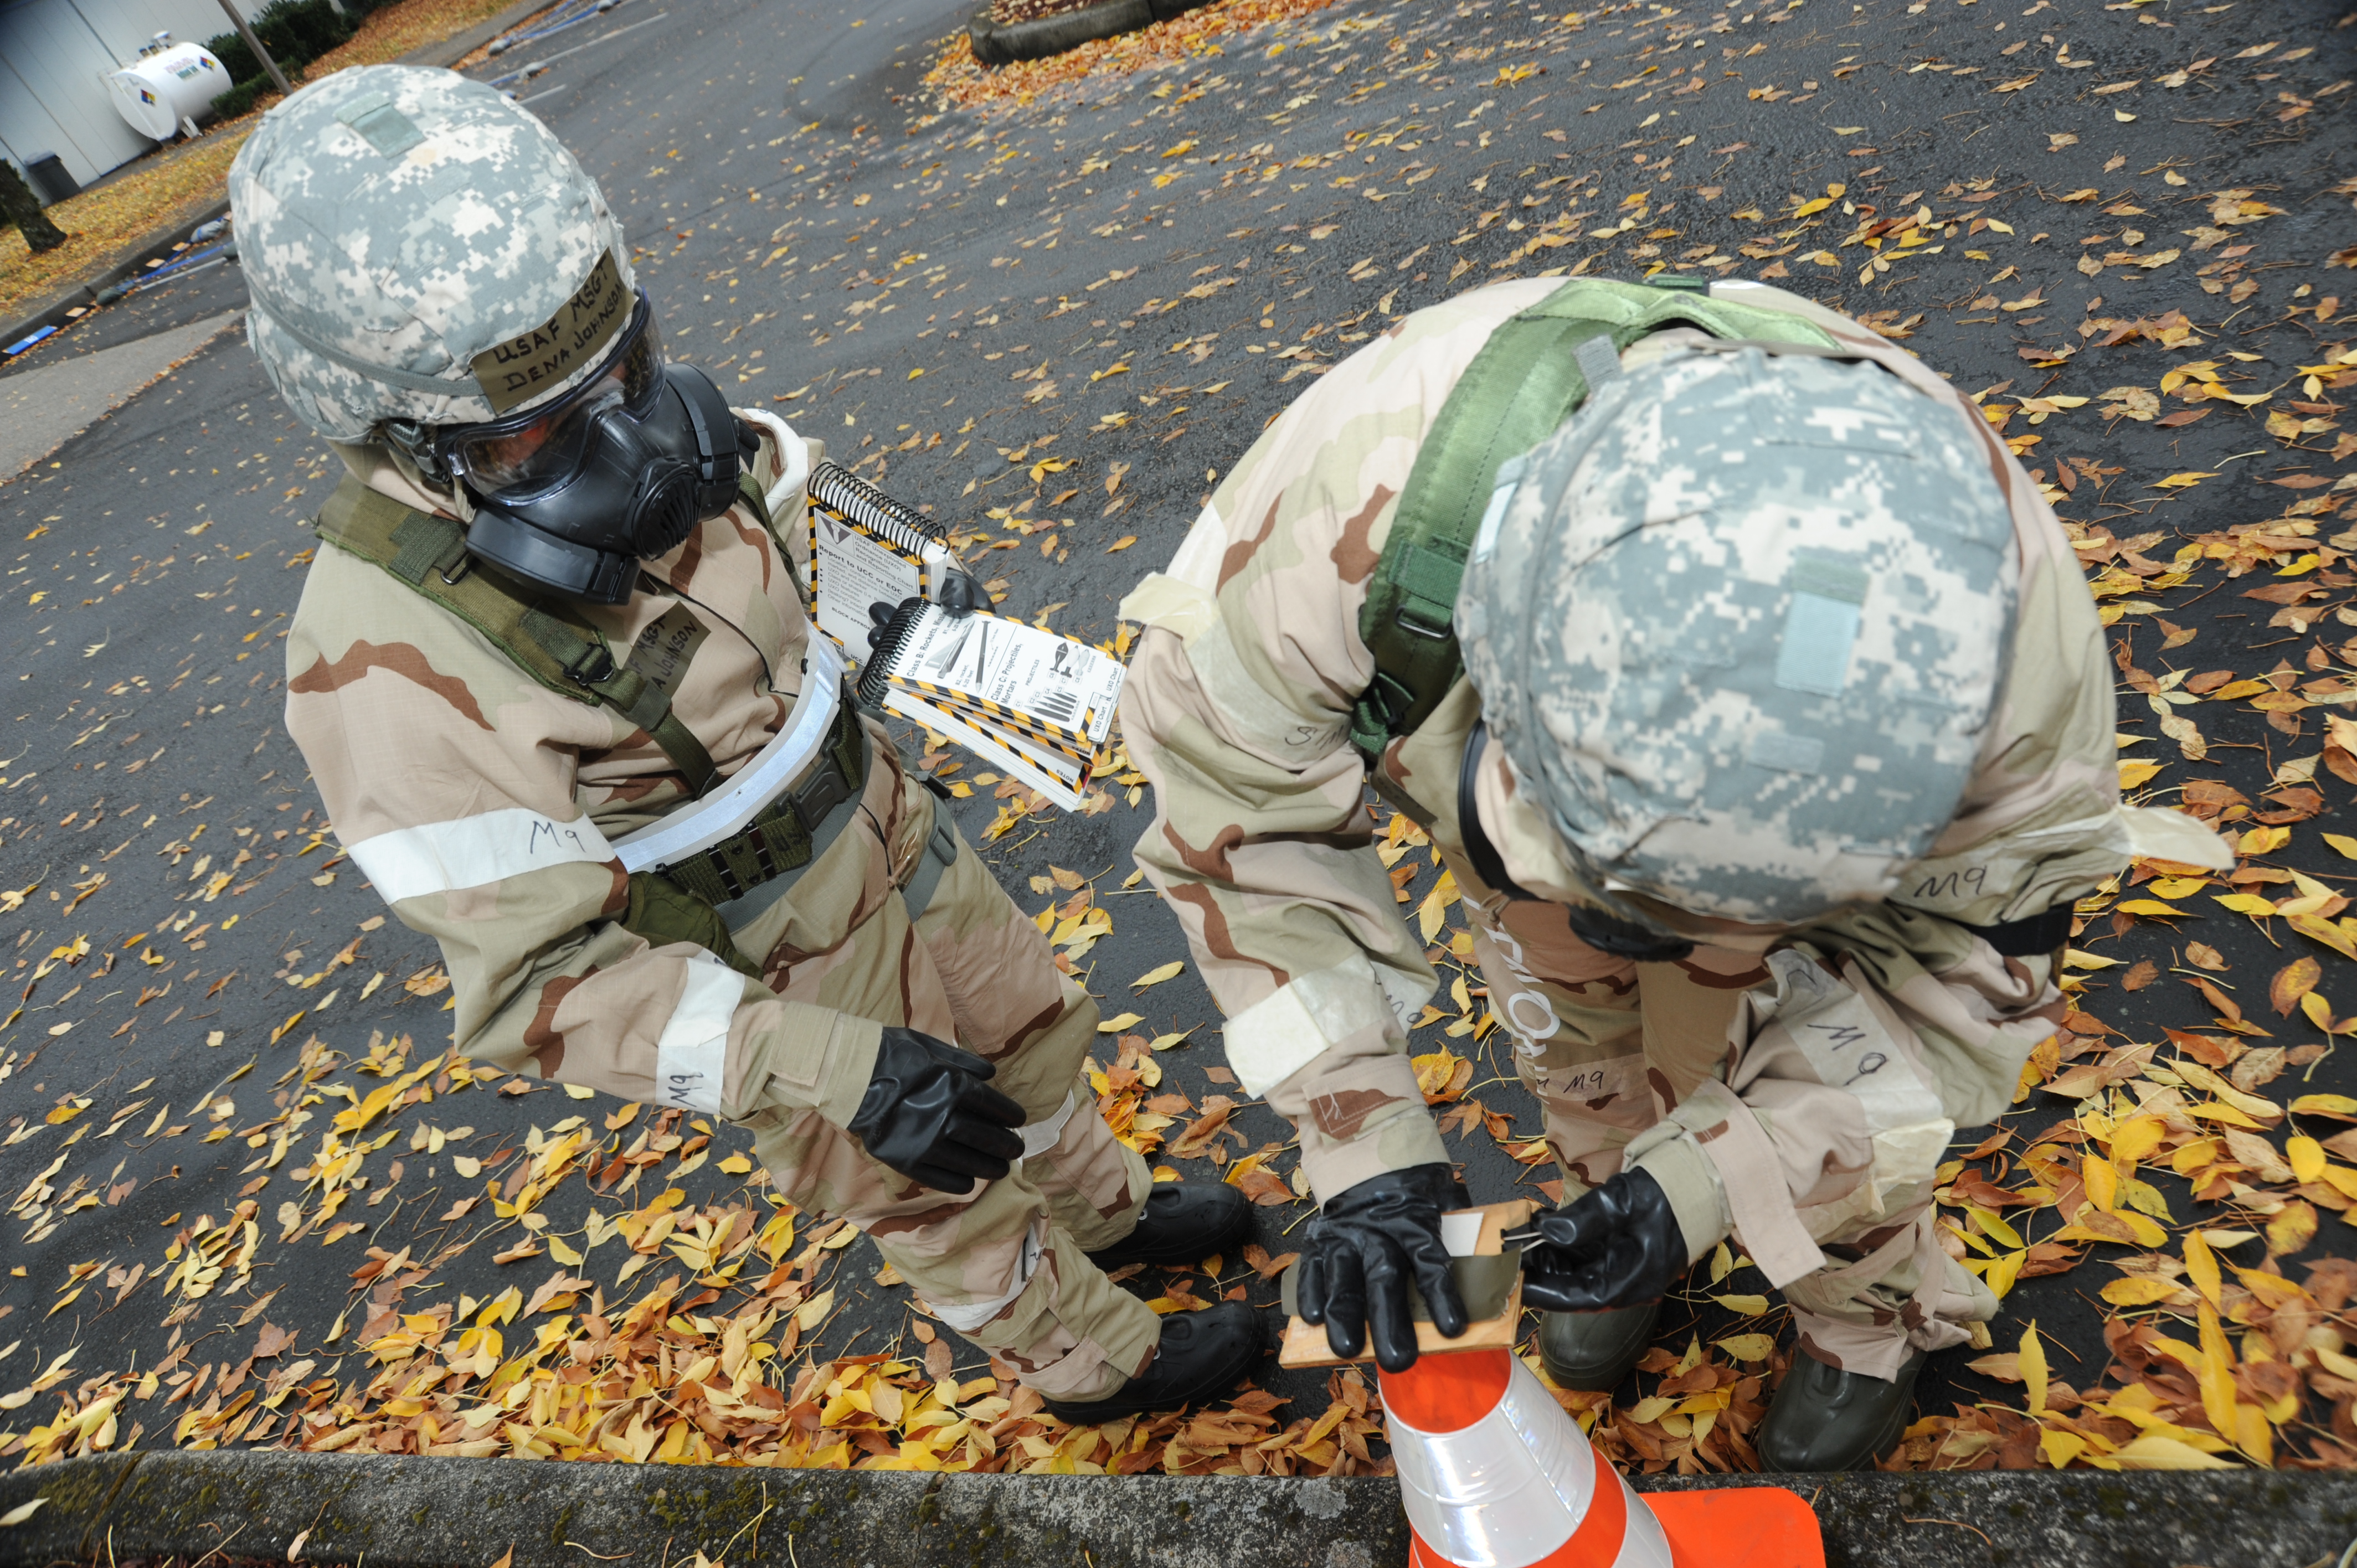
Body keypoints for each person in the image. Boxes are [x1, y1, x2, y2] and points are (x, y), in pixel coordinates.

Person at [238, 65, 1258, 1421]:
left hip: (883, 824)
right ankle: (1087, 1364)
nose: (636, 454)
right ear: (409, 443)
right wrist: (826, 1067)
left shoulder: (617, 405)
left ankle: (1107, 1211)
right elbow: (537, 984)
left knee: (1027, 1034)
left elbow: (791, 529)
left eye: (628, 371)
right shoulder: (384, 671)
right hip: (767, 960)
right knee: (928, 1184)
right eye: (539, 435)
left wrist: (912, 599)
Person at [1116, 273, 2230, 1468]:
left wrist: (1703, 1182)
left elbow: (1946, 1013)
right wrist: (1369, 1150)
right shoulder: (1317, 550)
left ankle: (1869, 1317)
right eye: (1618, 885)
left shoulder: (2013, 680)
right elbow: (1239, 842)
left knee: (1829, 1083)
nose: (1649, 928)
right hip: (1509, 811)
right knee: (1570, 1040)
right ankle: (1608, 1212)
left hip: (1798, 872)